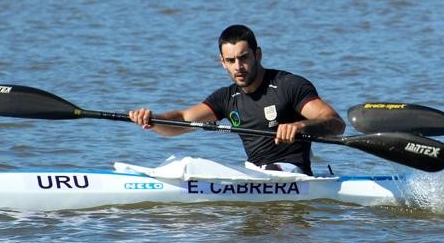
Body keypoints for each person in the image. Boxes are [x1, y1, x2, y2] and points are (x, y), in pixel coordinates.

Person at [128, 24, 345, 176]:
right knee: (182, 164)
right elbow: (183, 119)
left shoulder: (288, 85)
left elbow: (335, 123)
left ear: (257, 55)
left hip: (292, 174)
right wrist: (153, 120)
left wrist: (301, 125)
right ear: (222, 62)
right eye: (230, 60)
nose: (238, 67)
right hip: (254, 174)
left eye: (243, 58)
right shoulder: (226, 97)